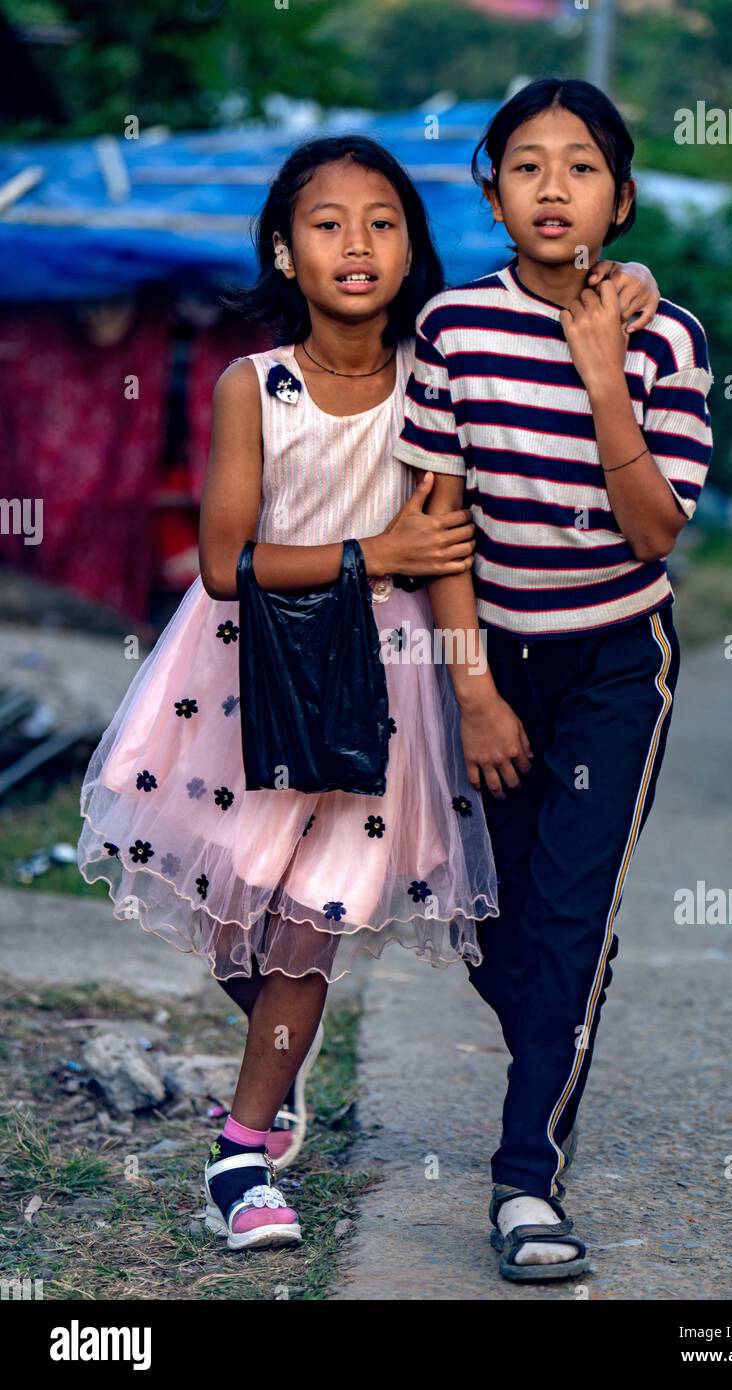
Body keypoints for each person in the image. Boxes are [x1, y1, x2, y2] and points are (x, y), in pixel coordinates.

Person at [77, 131, 661, 1255]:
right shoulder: (258, 385)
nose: (356, 243)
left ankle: (239, 1153)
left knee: (311, 921)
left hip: (384, 686)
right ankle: (282, 1061)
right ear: (284, 253)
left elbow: (446, 539)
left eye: (383, 223)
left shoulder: (435, 366)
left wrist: (628, 280)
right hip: (241, 672)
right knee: (229, 909)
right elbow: (220, 560)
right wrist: (371, 549)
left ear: (414, 248)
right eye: (327, 224)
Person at [392, 78, 714, 1282]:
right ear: (490, 192)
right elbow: (439, 517)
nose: (551, 187)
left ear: (618, 199)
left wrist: (596, 368)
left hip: (617, 661)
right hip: (488, 654)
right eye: (525, 164)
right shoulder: (454, 331)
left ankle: (525, 1183)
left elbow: (653, 531)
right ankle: (567, 994)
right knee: (486, 917)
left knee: (566, 919)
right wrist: (473, 694)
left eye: (579, 166)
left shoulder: (664, 336)